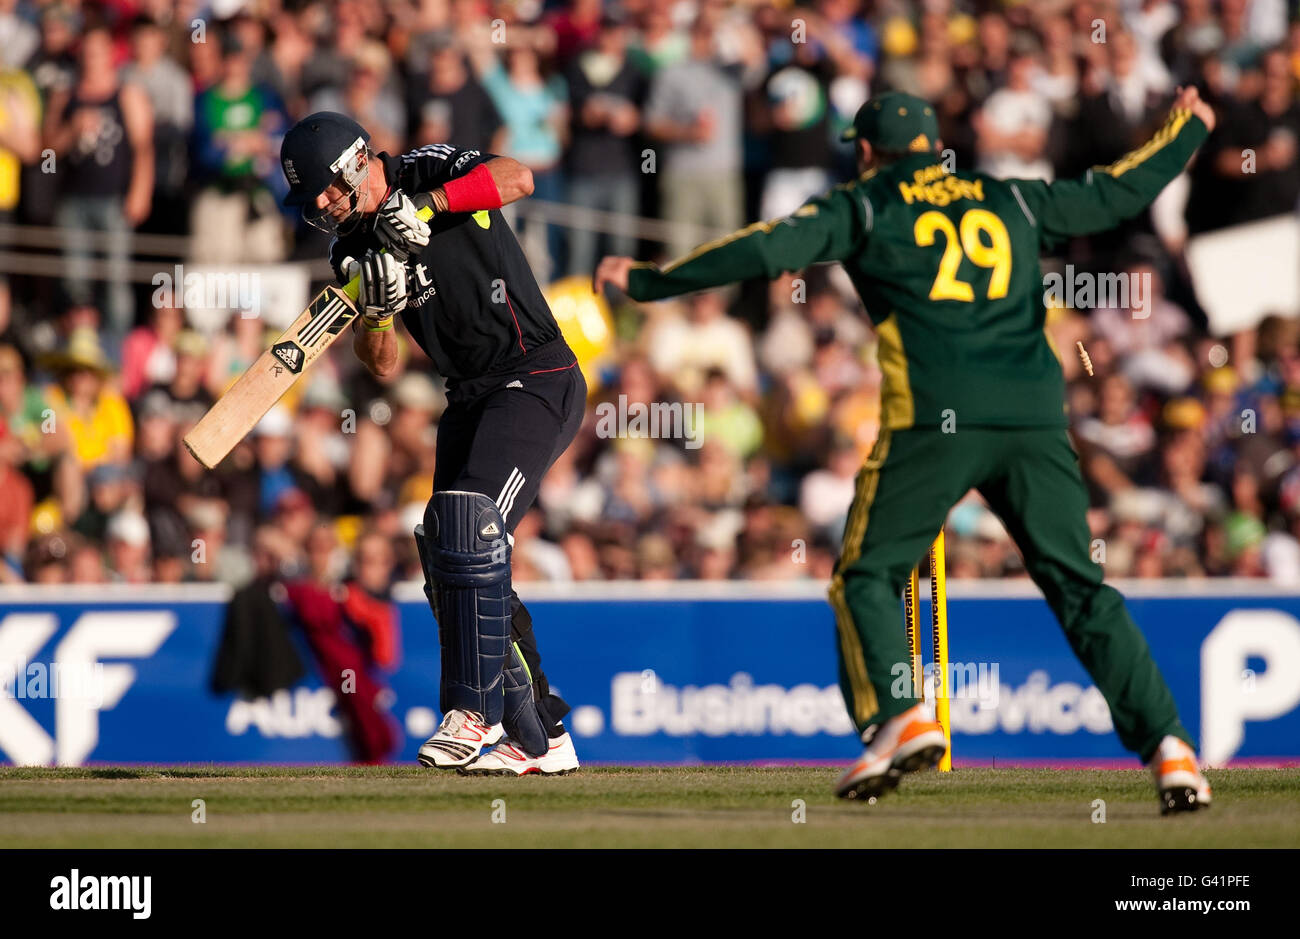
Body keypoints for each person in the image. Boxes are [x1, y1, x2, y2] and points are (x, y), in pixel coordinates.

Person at [595, 87, 1218, 814]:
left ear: (864, 151)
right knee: (1081, 590)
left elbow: (767, 248)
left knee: (866, 573)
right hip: (1034, 421)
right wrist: (1187, 131)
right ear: (930, 145)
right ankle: (1172, 750)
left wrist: (650, 280)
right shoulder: (1009, 197)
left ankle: (901, 714)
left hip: (934, 417)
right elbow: (1115, 194)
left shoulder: (862, 205)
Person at [279, 112, 584, 775]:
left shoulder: (426, 165)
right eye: (315, 201)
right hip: (467, 395)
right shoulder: (350, 249)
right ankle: (541, 736)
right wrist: (381, 313)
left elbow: (519, 177)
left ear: (359, 160)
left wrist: (428, 205)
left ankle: (468, 713)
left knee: (471, 526)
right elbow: (381, 362)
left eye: (329, 189)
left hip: (534, 375)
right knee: (449, 556)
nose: (325, 206)